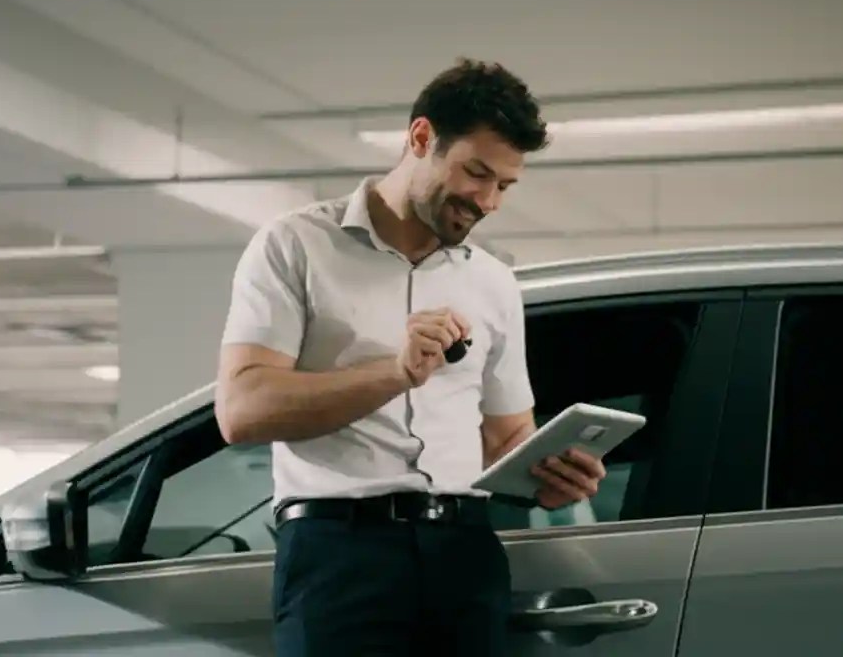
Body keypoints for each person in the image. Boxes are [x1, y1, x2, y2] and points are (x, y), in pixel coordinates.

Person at [215, 58, 607, 656]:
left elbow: (505, 439)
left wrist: (548, 479)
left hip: (465, 555)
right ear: (421, 138)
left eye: (505, 185)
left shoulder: (495, 283)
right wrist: (395, 373)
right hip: (337, 554)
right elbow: (242, 410)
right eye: (477, 173)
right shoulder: (294, 246)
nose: (489, 201)